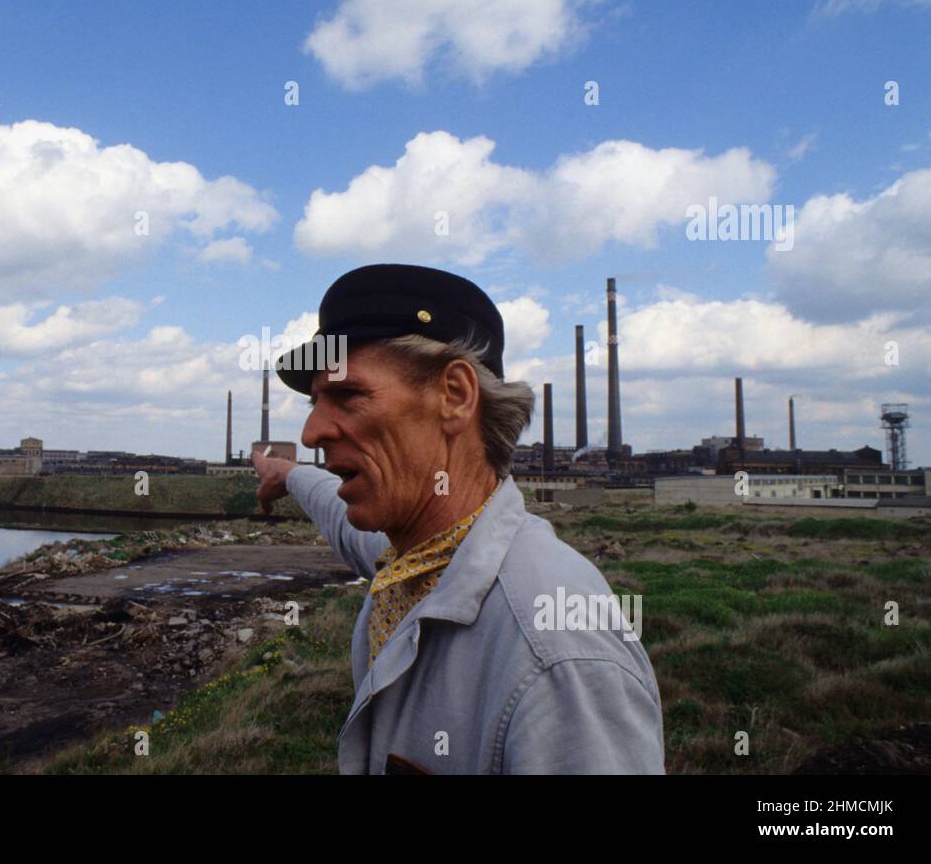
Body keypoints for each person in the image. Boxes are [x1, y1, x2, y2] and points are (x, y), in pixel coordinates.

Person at [252, 263, 664, 774]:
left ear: (454, 396)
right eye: (316, 402)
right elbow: (338, 513)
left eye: (347, 395)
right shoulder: (416, 560)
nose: (312, 431)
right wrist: (286, 473)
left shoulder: (555, 654)